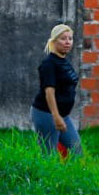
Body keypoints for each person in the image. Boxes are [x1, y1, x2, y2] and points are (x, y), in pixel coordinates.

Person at [30, 23, 82, 157]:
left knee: (77, 150)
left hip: (62, 114)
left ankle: (69, 171)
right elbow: (49, 92)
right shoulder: (49, 64)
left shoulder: (64, 61)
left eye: (70, 38)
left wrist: (61, 116)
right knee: (49, 155)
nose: (67, 42)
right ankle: (43, 172)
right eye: (63, 38)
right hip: (46, 113)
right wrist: (56, 117)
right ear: (54, 41)